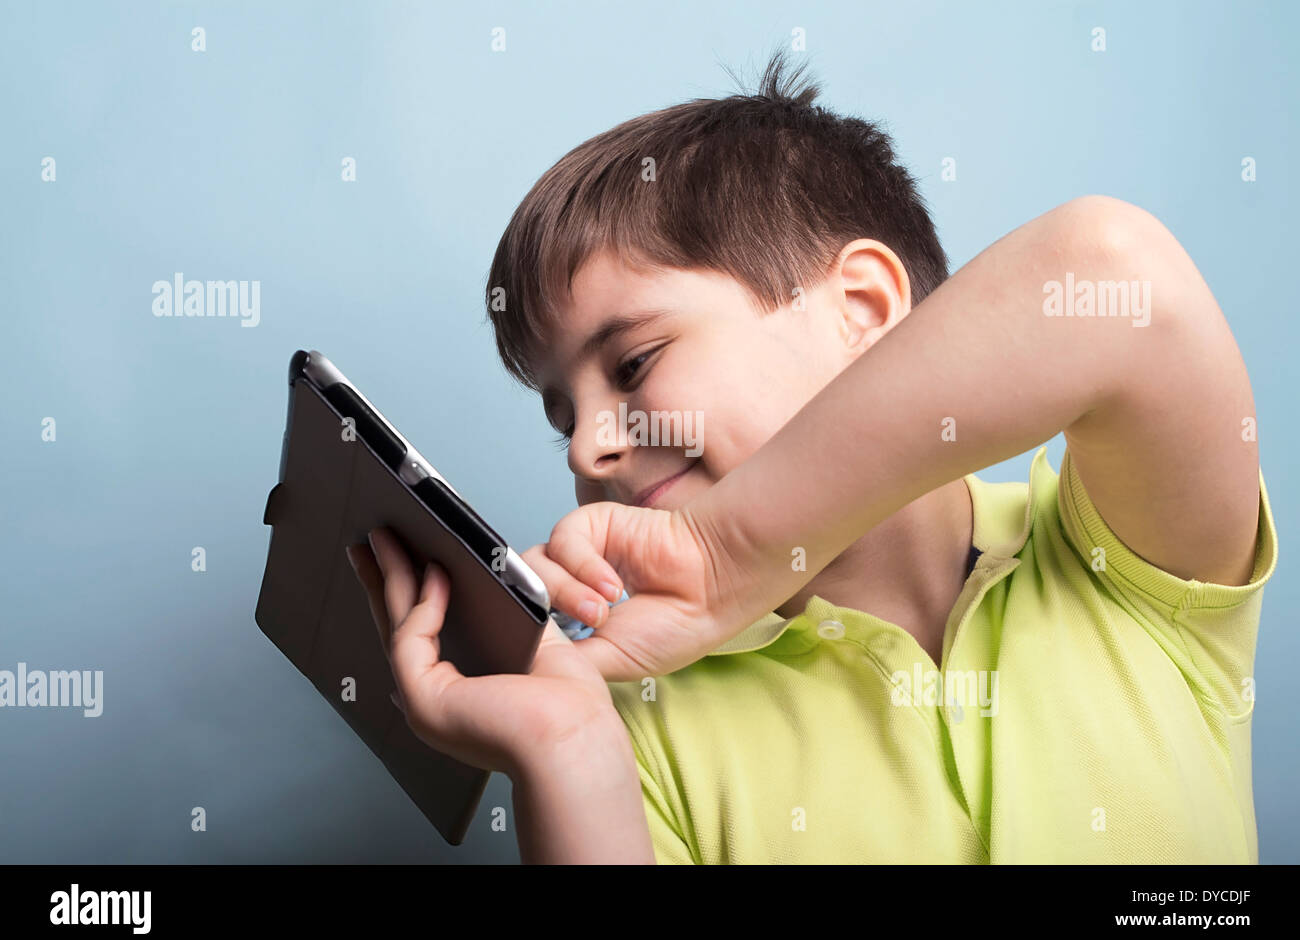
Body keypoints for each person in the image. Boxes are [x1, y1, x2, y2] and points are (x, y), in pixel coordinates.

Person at [348, 49, 1277, 863]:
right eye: (564, 419)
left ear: (863, 310)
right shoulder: (641, 734)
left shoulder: (1118, 561)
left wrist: (728, 551)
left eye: (634, 364)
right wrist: (565, 750)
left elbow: (1117, 277)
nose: (590, 444)